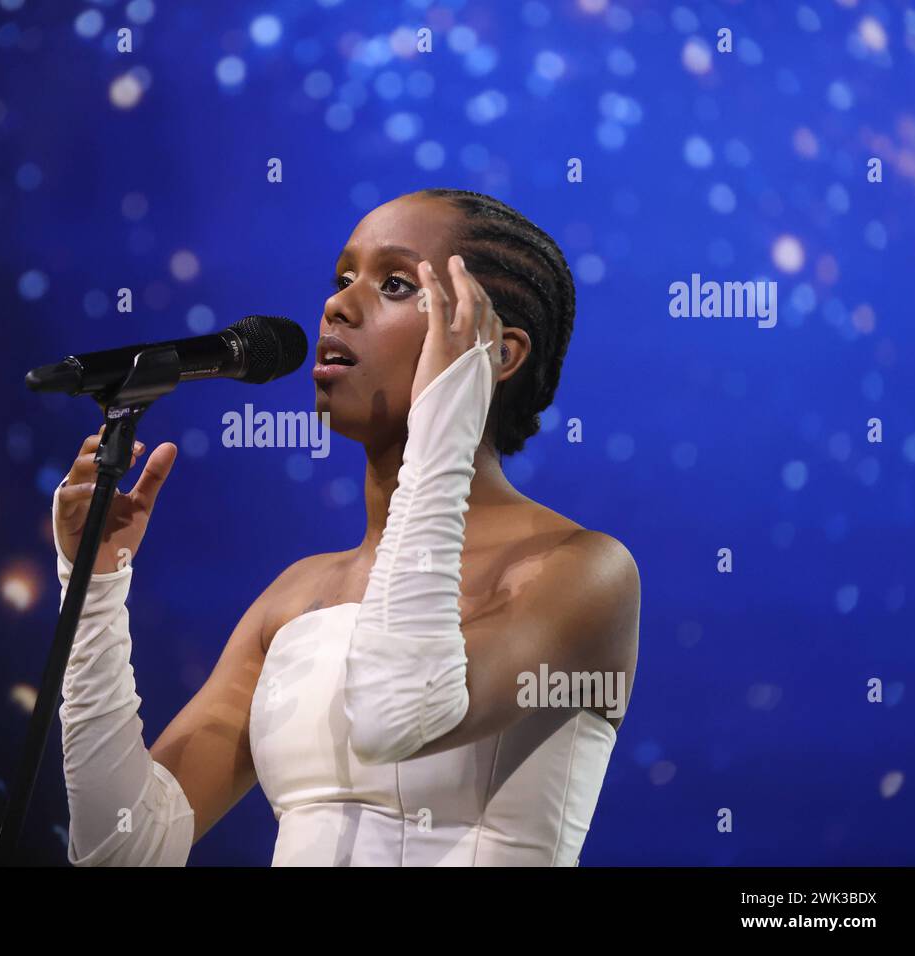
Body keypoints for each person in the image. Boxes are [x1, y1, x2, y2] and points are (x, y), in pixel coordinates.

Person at [52, 188, 640, 866]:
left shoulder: (580, 570)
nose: (337, 305)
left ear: (496, 355)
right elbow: (125, 846)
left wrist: (443, 426)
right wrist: (91, 589)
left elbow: (398, 716)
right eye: (341, 279)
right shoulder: (296, 596)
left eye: (393, 283)